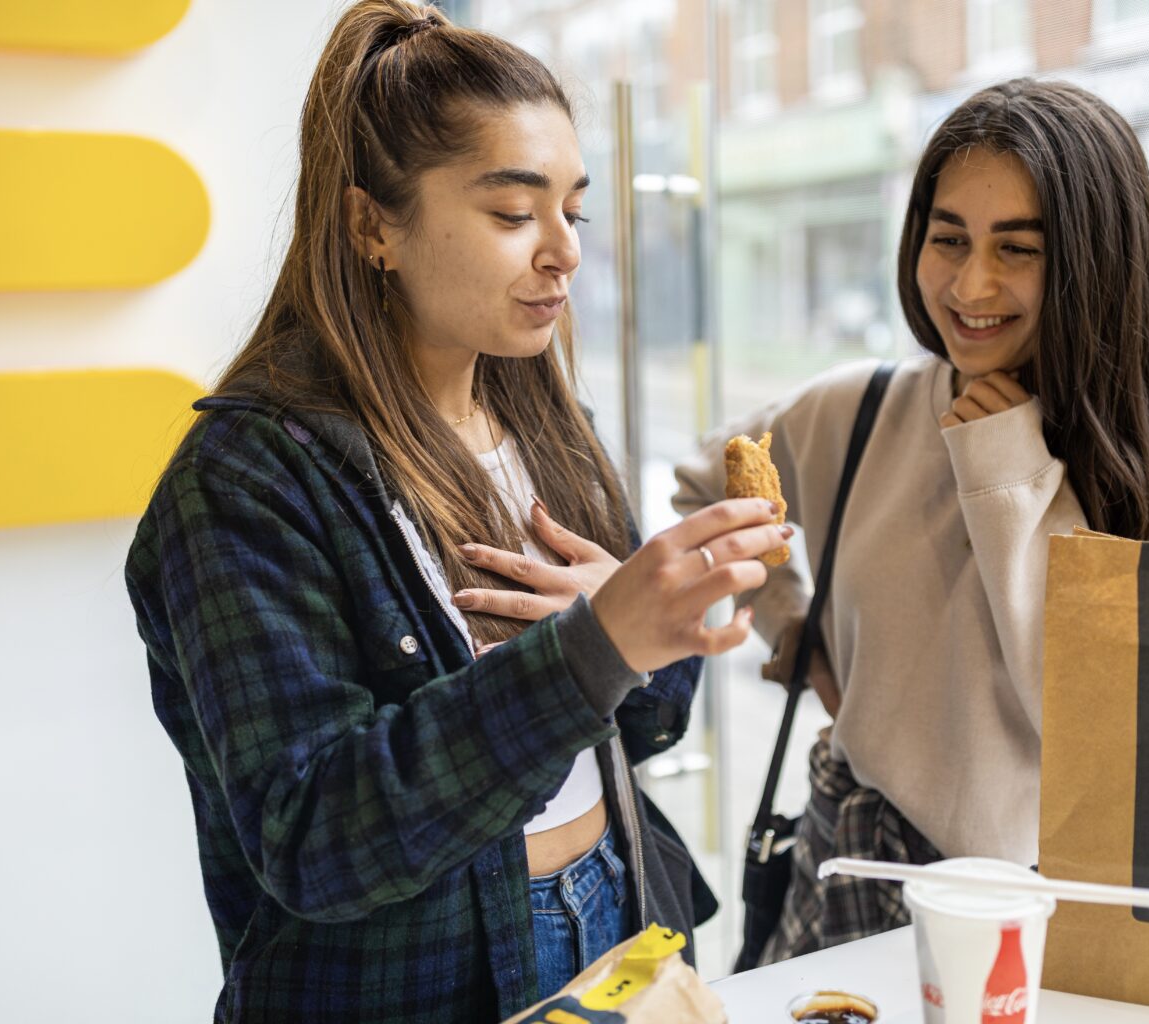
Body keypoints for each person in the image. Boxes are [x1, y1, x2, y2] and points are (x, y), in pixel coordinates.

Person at [124, 3, 786, 1019]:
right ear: (370, 225)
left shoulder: (550, 422)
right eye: (515, 214)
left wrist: (651, 629)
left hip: (616, 920)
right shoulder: (248, 479)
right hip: (411, 985)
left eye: (576, 210)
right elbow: (316, 840)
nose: (563, 250)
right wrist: (587, 648)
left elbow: (644, 723)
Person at [673, 78, 1149, 964]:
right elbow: (712, 478)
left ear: (1096, 261)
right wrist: (797, 630)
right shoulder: (859, 408)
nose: (970, 284)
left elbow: (1097, 743)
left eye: (1017, 249)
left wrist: (1007, 470)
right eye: (948, 239)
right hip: (853, 870)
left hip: (1051, 910)